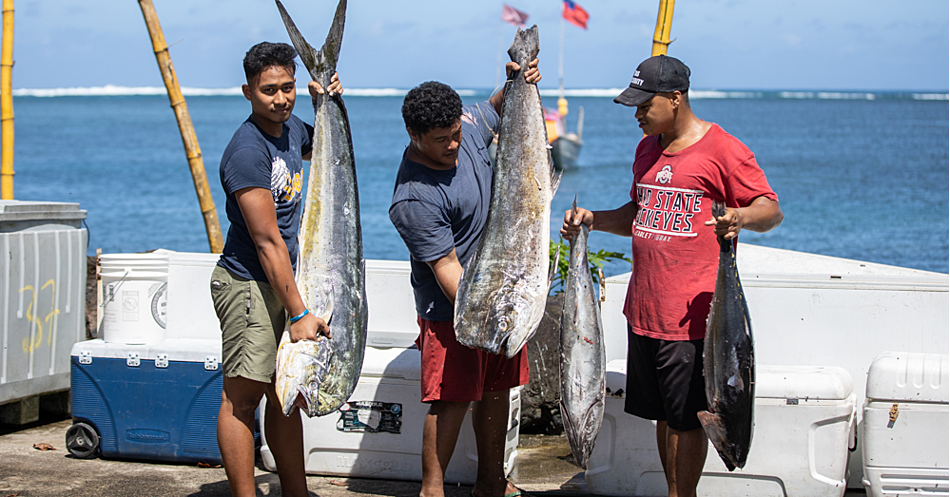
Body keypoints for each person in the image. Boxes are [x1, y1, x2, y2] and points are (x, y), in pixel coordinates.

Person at [561, 55, 783, 497]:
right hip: (645, 310)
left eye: (645, 105)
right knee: (664, 416)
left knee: (686, 419)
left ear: (676, 98)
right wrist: (593, 219)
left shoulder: (723, 150)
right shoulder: (647, 147)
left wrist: (738, 217)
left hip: (692, 316)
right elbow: (638, 212)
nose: (638, 115)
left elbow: (770, 209)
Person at [389, 59, 541, 497]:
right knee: (453, 397)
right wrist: (491, 318)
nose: (454, 144)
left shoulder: (468, 126)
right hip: (451, 309)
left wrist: (517, 81)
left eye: (456, 133)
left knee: (496, 388)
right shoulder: (414, 197)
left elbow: (496, 107)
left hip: (501, 291)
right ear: (414, 136)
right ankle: (432, 490)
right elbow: (447, 270)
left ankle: (492, 482)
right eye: (441, 141)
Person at [210, 41, 341, 497]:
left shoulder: (291, 130)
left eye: (287, 88)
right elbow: (267, 241)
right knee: (242, 399)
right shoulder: (247, 152)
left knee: (284, 400)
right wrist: (300, 313)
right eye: (269, 90)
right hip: (250, 285)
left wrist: (330, 102)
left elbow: (328, 147)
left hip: (284, 282)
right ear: (248, 91)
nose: (280, 99)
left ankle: (296, 493)